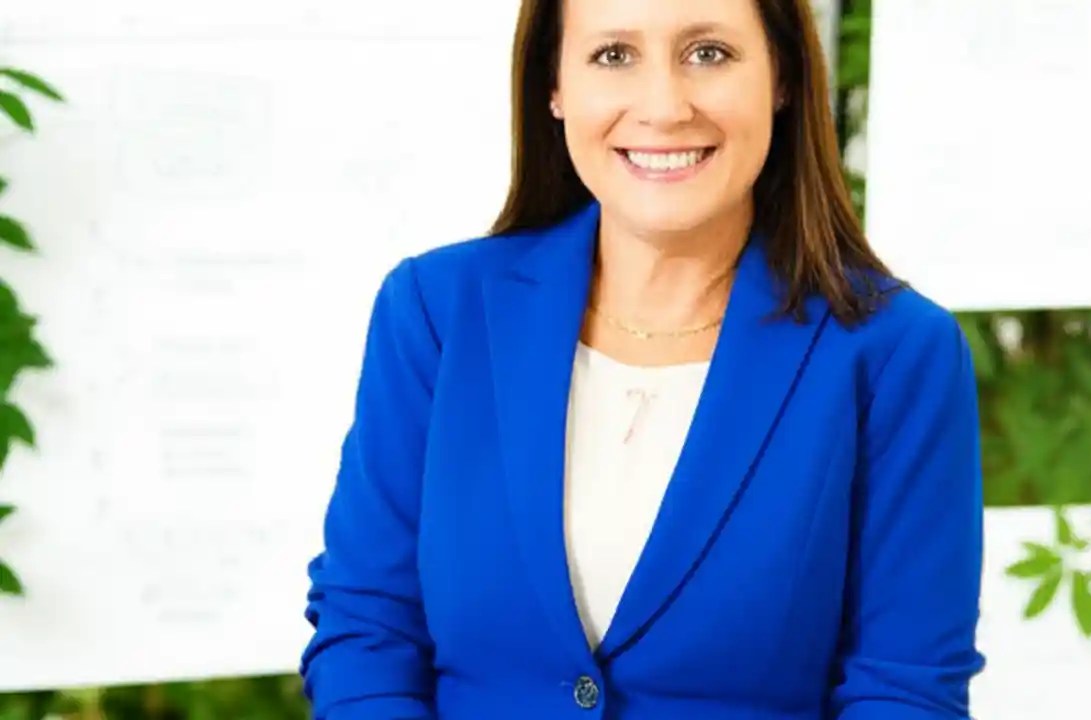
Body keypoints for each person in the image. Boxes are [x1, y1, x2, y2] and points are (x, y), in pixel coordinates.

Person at [298, 0, 986, 717]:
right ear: (554, 85)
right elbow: (368, 628)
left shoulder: (896, 355)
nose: (663, 107)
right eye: (613, 55)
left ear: (782, 77)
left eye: (709, 53)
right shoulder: (437, 312)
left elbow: (903, 690)